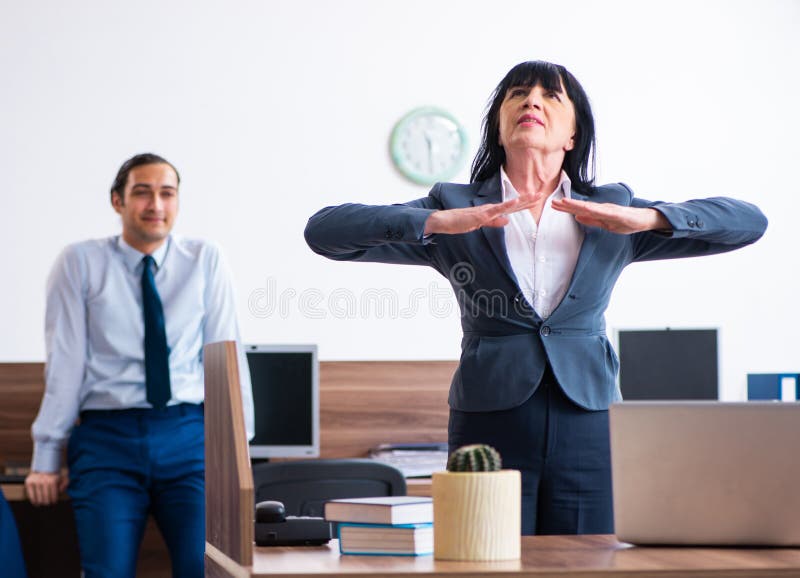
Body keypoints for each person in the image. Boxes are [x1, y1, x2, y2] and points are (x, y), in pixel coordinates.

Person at [304, 61, 767, 535]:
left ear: (572, 135)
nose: (532, 101)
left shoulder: (613, 210)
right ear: (499, 130)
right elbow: (323, 233)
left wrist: (647, 219)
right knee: (483, 557)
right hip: (489, 421)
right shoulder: (454, 207)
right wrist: (436, 223)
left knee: (588, 562)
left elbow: (749, 222)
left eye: (551, 96)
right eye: (519, 93)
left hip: (590, 419)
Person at [25, 153, 254, 578]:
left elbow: (226, 355)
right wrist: (46, 455)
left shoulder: (205, 258)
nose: (156, 205)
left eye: (167, 193)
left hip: (187, 437)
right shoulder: (79, 263)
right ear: (117, 201)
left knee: (207, 567)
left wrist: (239, 452)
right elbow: (66, 363)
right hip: (106, 438)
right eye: (142, 193)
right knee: (106, 571)